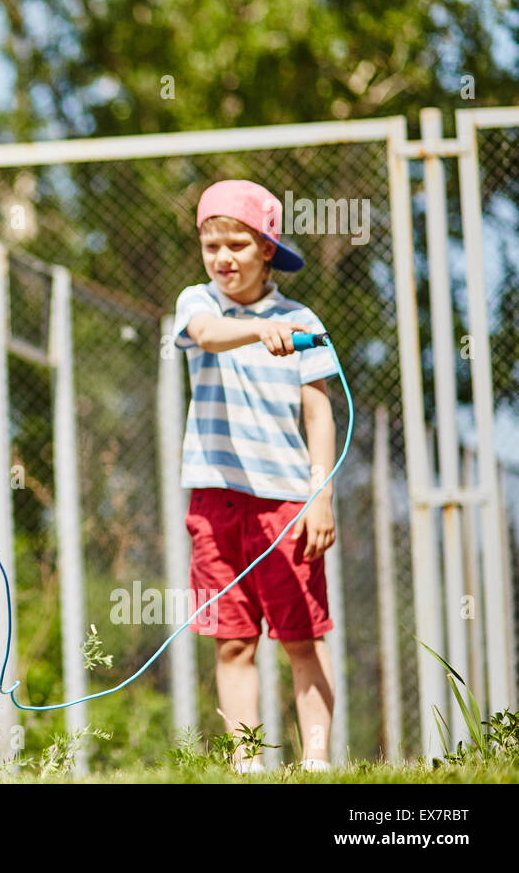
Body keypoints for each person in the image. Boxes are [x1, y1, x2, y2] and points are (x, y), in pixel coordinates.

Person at [172, 179, 340, 773]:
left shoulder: (302, 320)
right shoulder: (198, 302)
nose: (222, 259)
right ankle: (248, 765)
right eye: (210, 245)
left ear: (267, 248)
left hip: (286, 504)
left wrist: (319, 494)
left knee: (300, 640)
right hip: (215, 502)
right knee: (233, 640)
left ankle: (316, 762)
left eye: (237, 246)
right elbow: (208, 337)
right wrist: (256, 331)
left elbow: (318, 412)